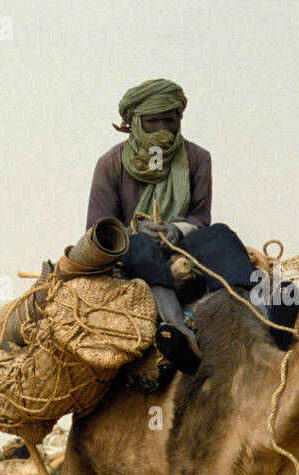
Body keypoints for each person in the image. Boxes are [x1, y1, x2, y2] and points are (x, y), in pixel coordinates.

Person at [86, 79, 265, 373]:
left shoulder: (197, 158)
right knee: (142, 246)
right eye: (152, 121)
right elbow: (98, 229)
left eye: (169, 120)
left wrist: (177, 229)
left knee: (219, 234)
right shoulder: (110, 164)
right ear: (134, 123)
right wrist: (135, 231)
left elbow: (200, 217)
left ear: (180, 119)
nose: (162, 129)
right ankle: (177, 328)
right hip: (132, 250)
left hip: (182, 244)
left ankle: (262, 315)